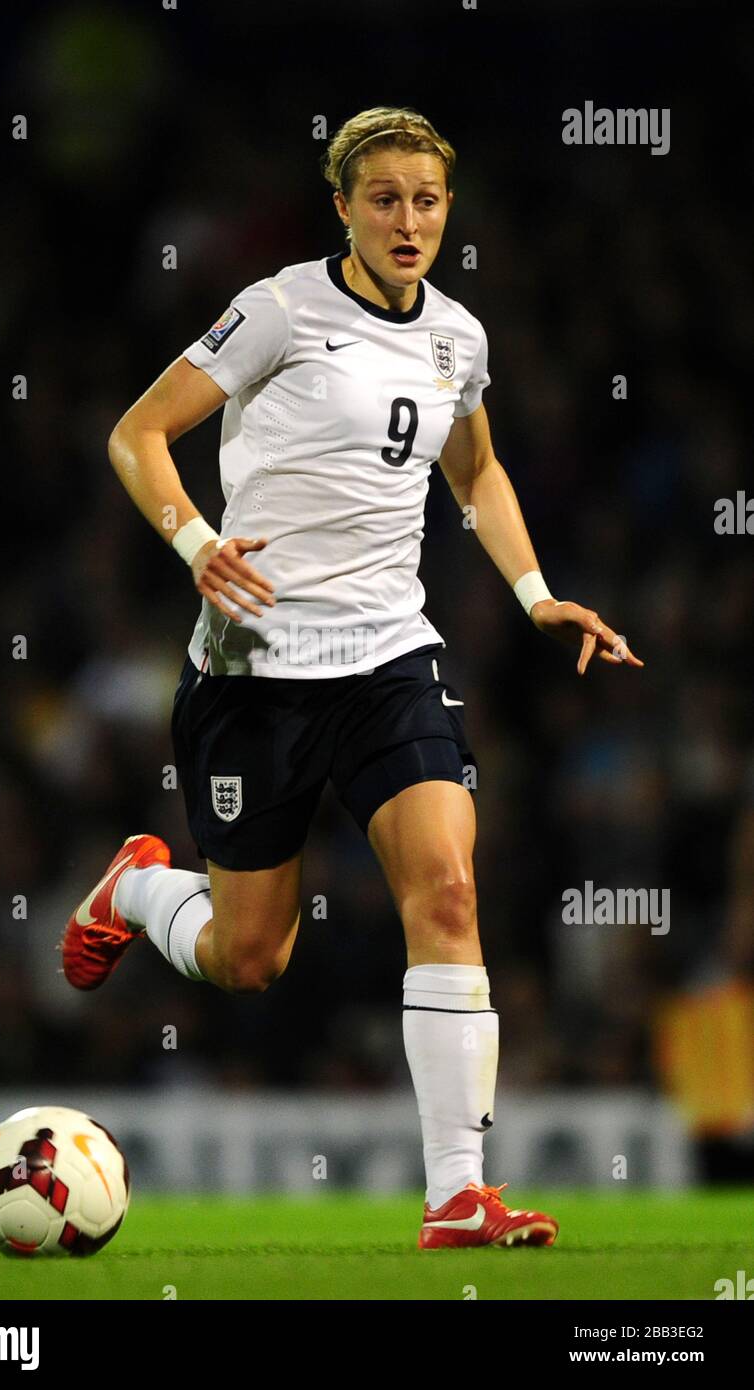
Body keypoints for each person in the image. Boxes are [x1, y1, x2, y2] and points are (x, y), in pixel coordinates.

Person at [62, 106, 642, 1249]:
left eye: (425, 200)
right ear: (343, 208)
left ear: (447, 210)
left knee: (448, 890)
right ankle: (134, 885)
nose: (407, 220)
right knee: (248, 957)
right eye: (383, 198)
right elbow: (138, 435)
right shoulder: (278, 308)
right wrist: (196, 546)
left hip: (389, 657)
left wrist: (536, 596)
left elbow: (475, 476)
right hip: (254, 670)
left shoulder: (457, 339)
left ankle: (456, 1195)